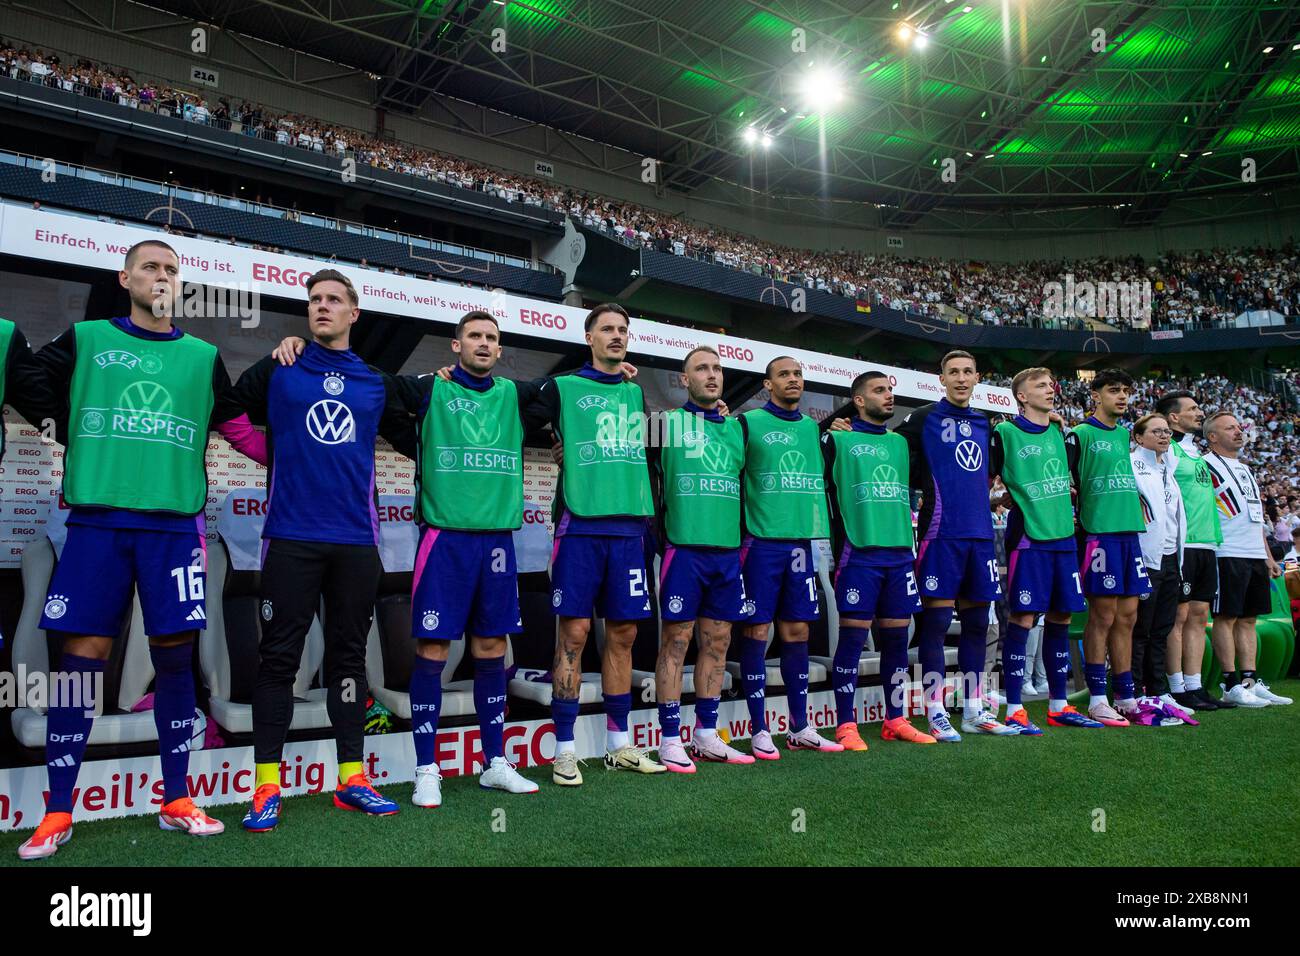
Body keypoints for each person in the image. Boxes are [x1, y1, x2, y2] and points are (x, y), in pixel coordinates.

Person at [18, 240, 267, 860]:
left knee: (174, 660)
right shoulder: (85, 341)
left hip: (173, 534)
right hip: (98, 526)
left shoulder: (204, 357)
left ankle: (176, 799)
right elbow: (29, 386)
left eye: (171, 270)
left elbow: (242, 433)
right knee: (82, 660)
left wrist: (317, 456)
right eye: (151, 267)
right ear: (125, 277)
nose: (161, 276)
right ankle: (56, 811)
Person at [232, 269, 433, 832]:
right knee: (280, 660)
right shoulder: (280, 366)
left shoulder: (375, 381)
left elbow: (418, 431)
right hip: (291, 539)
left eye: (333, 300)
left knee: (349, 660)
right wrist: (276, 456)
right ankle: (266, 785)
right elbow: (225, 411)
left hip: (355, 543)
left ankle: (352, 778)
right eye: (314, 300)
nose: (322, 307)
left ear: (354, 313)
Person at [534, 303, 666, 785]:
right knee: (573, 635)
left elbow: (659, 446)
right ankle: (565, 749)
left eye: (623, 330)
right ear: (589, 337)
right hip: (580, 528)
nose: (616, 336)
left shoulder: (634, 394)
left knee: (625, 636)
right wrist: (553, 437)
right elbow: (510, 407)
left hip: (631, 532)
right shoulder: (563, 386)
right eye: (607, 329)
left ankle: (618, 744)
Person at [895, 350, 1014, 741]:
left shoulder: (987, 424)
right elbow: (888, 449)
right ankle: (935, 710)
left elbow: (991, 473)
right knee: (938, 622)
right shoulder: (923, 418)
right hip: (939, 534)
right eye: (953, 372)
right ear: (941, 378)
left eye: (967, 372)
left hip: (980, 536)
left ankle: (974, 708)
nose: (961, 378)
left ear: (977, 377)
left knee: (979, 622)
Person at [651, 346, 756, 771]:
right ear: (683, 379)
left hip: (727, 555)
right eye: (701, 369)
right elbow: (607, 445)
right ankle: (669, 738)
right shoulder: (666, 425)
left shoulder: (738, 431)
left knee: (718, 643)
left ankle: (707, 734)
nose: (712, 376)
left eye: (717, 369)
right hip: (683, 551)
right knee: (675, 643)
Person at [735, 356, 844, 757]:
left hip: (801, 544)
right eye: (784, 374)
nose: (793, 380)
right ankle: (760, 729)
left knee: (797, 632)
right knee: (757, 633)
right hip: (759, 544)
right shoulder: (748, 423)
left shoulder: (814, 431)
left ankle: (799, 725)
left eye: (798, 374)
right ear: (768, 384)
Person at [822, 371, 935, 747]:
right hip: (859, 554)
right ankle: (845, 723)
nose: (888, 396)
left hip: (900, 555)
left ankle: (895, 718)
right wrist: (829, 425)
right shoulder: (837, 439)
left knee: (897, 641)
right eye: (879, 390)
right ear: (857, 400)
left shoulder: (902, 444)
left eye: (890, 390)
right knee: (852, 641)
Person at [989, 368, 1100, 731]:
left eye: (1051, 384)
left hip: (1064, 540)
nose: (1050, 389)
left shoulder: (1058, 431)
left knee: (1061, 617)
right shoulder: (1004, 433)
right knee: (1023, 618)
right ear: (1021, 396)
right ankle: (1016, 708)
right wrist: (999, 499)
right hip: (1028, 539)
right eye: (1040, 385)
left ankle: (1058, 705)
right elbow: (984, 480)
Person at [1063, 369, 1151, 728]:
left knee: (1128, 616)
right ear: (1096, 394)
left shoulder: (1125, 434)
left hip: (1129, 533)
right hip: (1099, 534)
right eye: (1114, 390)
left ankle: (1125, 695)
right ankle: (1098, 697)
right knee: (1103, 615)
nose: (1122, 396)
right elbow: (1064, 479)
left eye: (1127, 390)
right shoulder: (1080, 434)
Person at [1202, 411, 1292, 706]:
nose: (1239, 432)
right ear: (1213, 436)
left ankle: (1249, 682)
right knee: (1226, 617)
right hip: (1226, 552)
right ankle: (1229, 684)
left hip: (1253, 553)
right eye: (1230, 428)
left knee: (1250, 619)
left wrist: (1267, 555)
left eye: (1239, 427)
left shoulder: (1245, 468)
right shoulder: (1206, 465)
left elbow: (1256, 517)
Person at [1155, 391, 1225, 712]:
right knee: (1178, 617)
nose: (1200, 413)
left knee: (1199, 616)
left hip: (1207, 542)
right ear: (1173, 417)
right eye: (1193, 409)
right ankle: (1176, 686)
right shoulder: (1166, 449)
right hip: (1182, 543)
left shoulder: (1194, 450)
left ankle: (1195, 685)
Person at [1129, 414, 1195, 725]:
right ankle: (1136, 691)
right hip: (1145, 557)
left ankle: (1158, 689)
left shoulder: (1168, 468)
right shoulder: (1132, 465)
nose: (1165, 435)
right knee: (1140, 629)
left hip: (1171, 557)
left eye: (1167, 431)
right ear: (1139, 438)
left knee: (1161, 629)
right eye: (1156, 431)